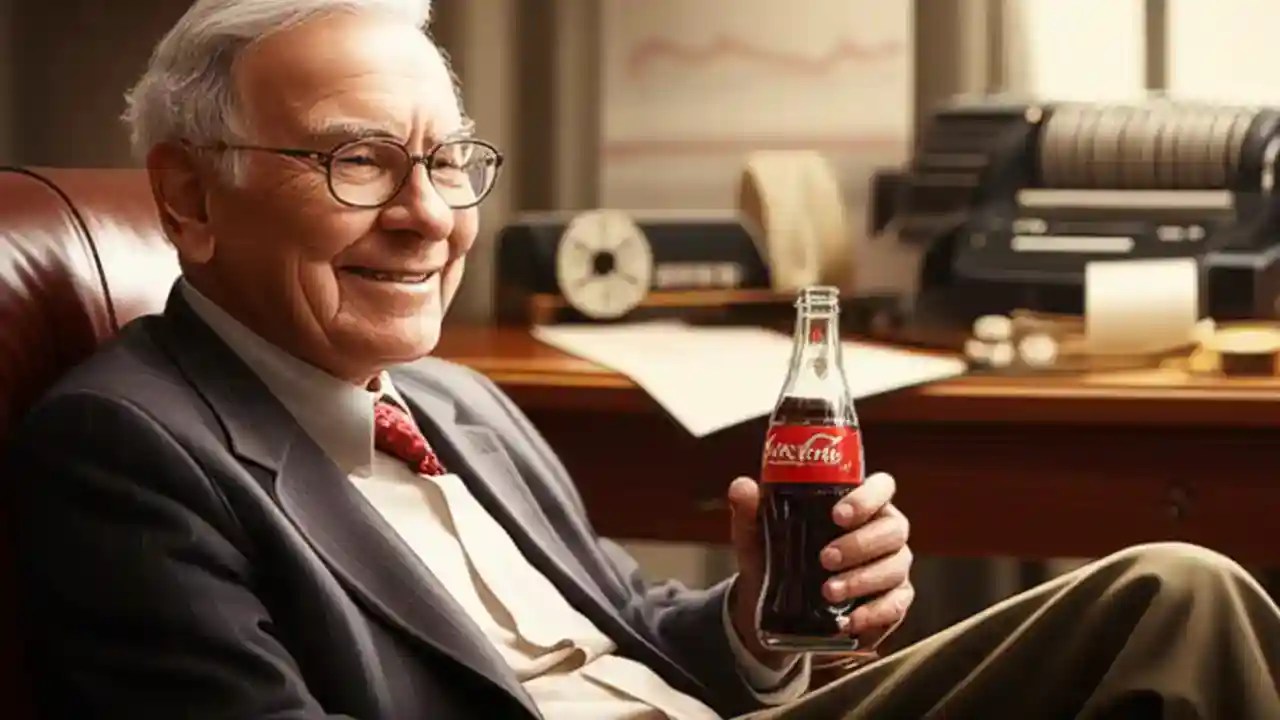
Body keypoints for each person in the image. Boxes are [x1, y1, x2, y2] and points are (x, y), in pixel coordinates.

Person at [5, 0, 1278, 718]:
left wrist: (754, 617)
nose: (428, 215)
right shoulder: (126, 451)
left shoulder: (457, 399)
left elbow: (629, 633)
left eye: (447, 161)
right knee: (1174, 603)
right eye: (355, 161)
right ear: (189, 201)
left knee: (1175, 601)